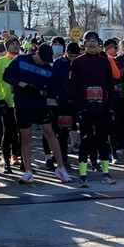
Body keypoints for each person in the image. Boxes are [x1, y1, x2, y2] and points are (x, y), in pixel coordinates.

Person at [3, 43, 72, 185]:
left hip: (39, 104)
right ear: (37, 54)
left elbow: (54, 89)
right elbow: (7, 76)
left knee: (49, 132)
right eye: (43, 60)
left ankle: (61, 167)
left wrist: (42, 92)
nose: (44, 63)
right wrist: (23, 85)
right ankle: (28, 170)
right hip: (22, 104)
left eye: (47, 61)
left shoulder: (48, 68)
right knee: (25, 136)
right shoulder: (20, 60)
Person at [71, 31, 115, 186]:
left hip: (102, 108)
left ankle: (106, 173)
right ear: (84, 44)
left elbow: (110, 86)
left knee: (103, 141)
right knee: (85, 141)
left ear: (98, 44)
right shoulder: (77, 62)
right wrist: (78, 108)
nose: (92, 44)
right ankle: (83, 175)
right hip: (85, 109)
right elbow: (74, 87)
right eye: (88, 41)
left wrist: (111, 107)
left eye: (94, 41)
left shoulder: (104, 62)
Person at [46, 38, 77, 171]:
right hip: (60, 103)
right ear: (66, 53)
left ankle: (63, 158)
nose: (73, 59)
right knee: (59, 132)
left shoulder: (79, 63)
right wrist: (59, 96)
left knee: (68, 132)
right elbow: (55, 82)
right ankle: (59, 158)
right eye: (71, 56)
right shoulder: (59, 64)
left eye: (75, 56)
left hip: (74, 103)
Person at [0, 36, 23, 174]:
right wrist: (1, 99)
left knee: (23, 133)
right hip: (7, 102)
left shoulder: (24, 60)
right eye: (12, 44)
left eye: (17, 43)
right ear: (7, 47)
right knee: (8, 132)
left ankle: (21, 159)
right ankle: (6, 160)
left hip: (22, 102)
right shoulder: (0, 62)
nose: (16, 46)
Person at [107, 37, 124, 163]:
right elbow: (115, 76)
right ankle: (115, 148)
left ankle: (122, 145)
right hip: (118, 96)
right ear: (121, 48)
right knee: (116, 123)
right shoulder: (117, 60)